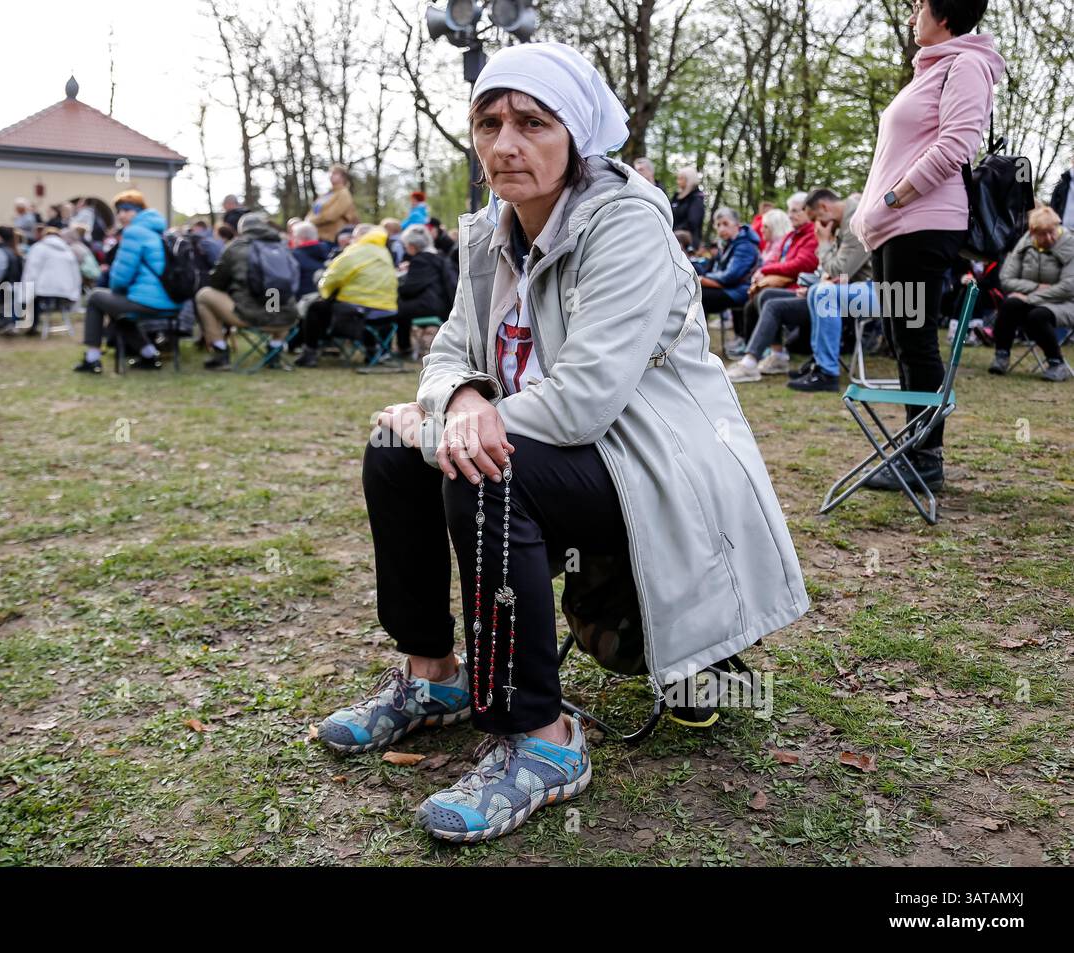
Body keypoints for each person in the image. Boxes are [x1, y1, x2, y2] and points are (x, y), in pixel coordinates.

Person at [315, 42, 807, 844]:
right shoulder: (483, 236)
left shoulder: (627, 226)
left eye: (532, 123)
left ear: (575, 132)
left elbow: (583, 401)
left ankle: (540, 739)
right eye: (489, 122)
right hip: (557, 447)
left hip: (652, 464)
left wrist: (451, 421)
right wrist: (462, 396)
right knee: (392, 446)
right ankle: (432, 677)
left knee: (482, 468)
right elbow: (448, 352)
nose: (506, 143)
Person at [850, 0, 1003, 492]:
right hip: (894, 230)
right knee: (900, 335)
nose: (912, 13)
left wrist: (894, 197)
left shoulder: (967, 65)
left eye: (919, 5)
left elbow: (957, 143)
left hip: (923, 225)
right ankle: (913, 448)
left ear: (944, 13)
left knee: (915, 336)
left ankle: (927, 459)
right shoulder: (929, 70)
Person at [73, 190, 178, 374]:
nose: (121, 215)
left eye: (127, 210)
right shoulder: (157, 230)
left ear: (139, 211)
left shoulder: (134, 233)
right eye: (119, 211)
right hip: (171, 300)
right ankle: (149, 355)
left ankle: (92, 358)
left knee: (96, 297)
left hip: (151, 302)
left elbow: (120, 278)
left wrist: (115, 287)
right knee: (117, 311)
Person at [789, 188, 878, 392]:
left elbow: (839, 268)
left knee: (823, 293)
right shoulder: (846, 219)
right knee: (818, 291)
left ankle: (828, 373)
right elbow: (856, 269)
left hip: (895, 293)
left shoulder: (856, 220)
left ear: (823, 207)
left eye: (816, 219)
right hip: (871, 284)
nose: (817, 226)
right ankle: (820, 364)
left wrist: (823, 242)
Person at [193, 212, 299, 369]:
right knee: (276, 300)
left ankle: (220, 351)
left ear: (241, 229)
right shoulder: (283, 247)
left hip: (249, 316)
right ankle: (275, 349)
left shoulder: (236, 247)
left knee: (204, 295)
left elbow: (217, 283)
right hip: (286, 318)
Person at [989, 205, 1074, 380]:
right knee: (1010, 304)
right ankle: (1001, 356)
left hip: (1065, 303)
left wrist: (1029, 297)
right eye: (1043, 233)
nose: (1050, 237)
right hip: (1035, 299)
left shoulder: (1070, 244)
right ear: (1033, 232)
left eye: (1053, 231)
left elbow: (1068, 287)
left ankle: (1056, 363)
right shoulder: (1025, 243)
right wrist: (1035, 288)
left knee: (1037, 316)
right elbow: (1006, 279)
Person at [727, 192, 818, 357]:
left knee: (766, 296)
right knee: (757, 299)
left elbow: (801, 265)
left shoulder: (812, 234)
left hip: (801, 288)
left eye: (796, 211)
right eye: (790, 210)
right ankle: (761, 349)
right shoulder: (792, 236)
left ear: (809, 211)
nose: (791, 215)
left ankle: (768, 353)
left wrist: (765, 271)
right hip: (789, 285)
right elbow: (782, 263)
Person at [296, 224, 397, 367]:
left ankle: (309, 353)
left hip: (360, 311)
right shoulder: (384, 252)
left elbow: (331, 278)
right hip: (387, 313)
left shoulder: (355, 251)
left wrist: (324, 292)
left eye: (353, 237)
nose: (351, 241)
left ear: (360, 237)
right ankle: (372, 350)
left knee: (315, 307)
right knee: (357, 309)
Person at [394, 223, 457, 354]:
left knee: (396, 309)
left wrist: (399, 287)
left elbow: (410, 289)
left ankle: (404, 347)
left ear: (412, 246)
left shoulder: (421, 260)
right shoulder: (439, 256)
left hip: (428, 305)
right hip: (444, 304)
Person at [697, 207, 760, 317]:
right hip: (729, 287)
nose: (721, 229)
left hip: (741, 290)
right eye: (718, 225)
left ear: (736, 224)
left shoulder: (744, 245)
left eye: (726, 224)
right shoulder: (728, 244)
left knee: (698, 294)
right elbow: (719, 271)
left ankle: (698, 333)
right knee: (695, 290)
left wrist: (705, 278)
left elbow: (731, 276)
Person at [23, 226, 83, 331]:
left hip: (45, 292)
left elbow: (31, 271)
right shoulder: (68, 251)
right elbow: (76, 275)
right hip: (66, 293)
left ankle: (32, 325)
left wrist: (25, 292)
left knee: (32, 297)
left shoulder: (38, 248)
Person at [306, 165, 358, 243]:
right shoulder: (325, 195)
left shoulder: (344, 193)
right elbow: (312, 211)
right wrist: (307, 221)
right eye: (330, 173)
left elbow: (331, 215)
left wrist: (311, 221)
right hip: (317, 236)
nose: (331, 175)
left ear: (343, 177)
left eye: (335, 173)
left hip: (331, 239)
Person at [290, 220, 331, 297]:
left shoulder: (293, 256)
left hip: (302, 302)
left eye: (293, 237)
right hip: (327, 300)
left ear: (299, 237)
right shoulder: (329, 252)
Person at [670, 166, 706, 241]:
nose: (678, 182)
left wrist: (675, 231)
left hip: (688, 241)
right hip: (672, 235)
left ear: (689, 179)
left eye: (681, 179)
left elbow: (693, 221)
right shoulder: (676, 197)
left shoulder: (696, 198)